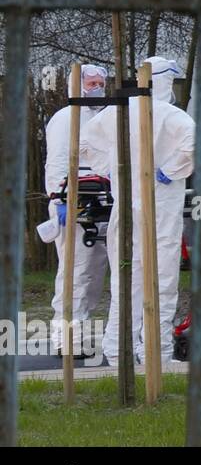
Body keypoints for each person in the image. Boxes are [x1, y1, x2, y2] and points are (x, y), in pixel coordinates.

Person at [82, 56, 195, 365]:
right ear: (167, 81)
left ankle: (118, 351)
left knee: (125, 280)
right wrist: (171, 171)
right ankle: (156, 353)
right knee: (162, 281)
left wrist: (114, 169)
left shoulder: (118, 114)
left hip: (128, 209)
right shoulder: (174, 117)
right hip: (162, 210)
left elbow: (86, 145)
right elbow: (195, 144)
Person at [44, 65, 110, 356]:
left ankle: (82, 335)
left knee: (94, 274)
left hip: (101, 200)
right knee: (75, 272)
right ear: (78, 86)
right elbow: (57, 163)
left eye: (100, 82)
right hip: (72, 200)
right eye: (91, 82)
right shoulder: (65, 119)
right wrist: (59, 199)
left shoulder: (106, 115)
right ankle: (65, 338)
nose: (96, 87)